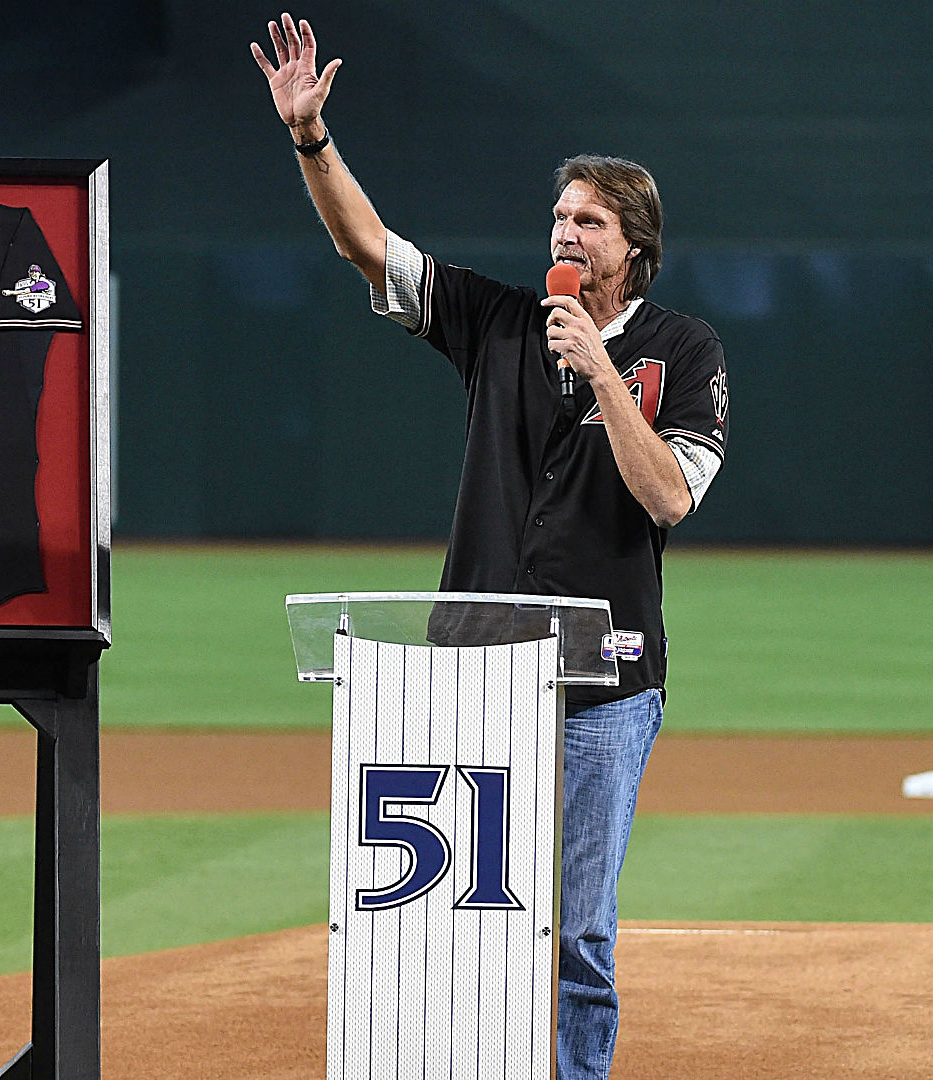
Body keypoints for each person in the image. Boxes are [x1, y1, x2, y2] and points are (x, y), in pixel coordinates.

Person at [253, 14, 729, 1079]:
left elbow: (671, 498)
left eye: (591, 223)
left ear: (635, 249)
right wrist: (311, 139)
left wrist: (603, 379)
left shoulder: (681, 351)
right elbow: (367, 247)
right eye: (561, 217)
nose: (566, 235)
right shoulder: (499, 320)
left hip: (605, 691)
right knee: (452, 914)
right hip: (469, 673)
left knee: (581, 932)